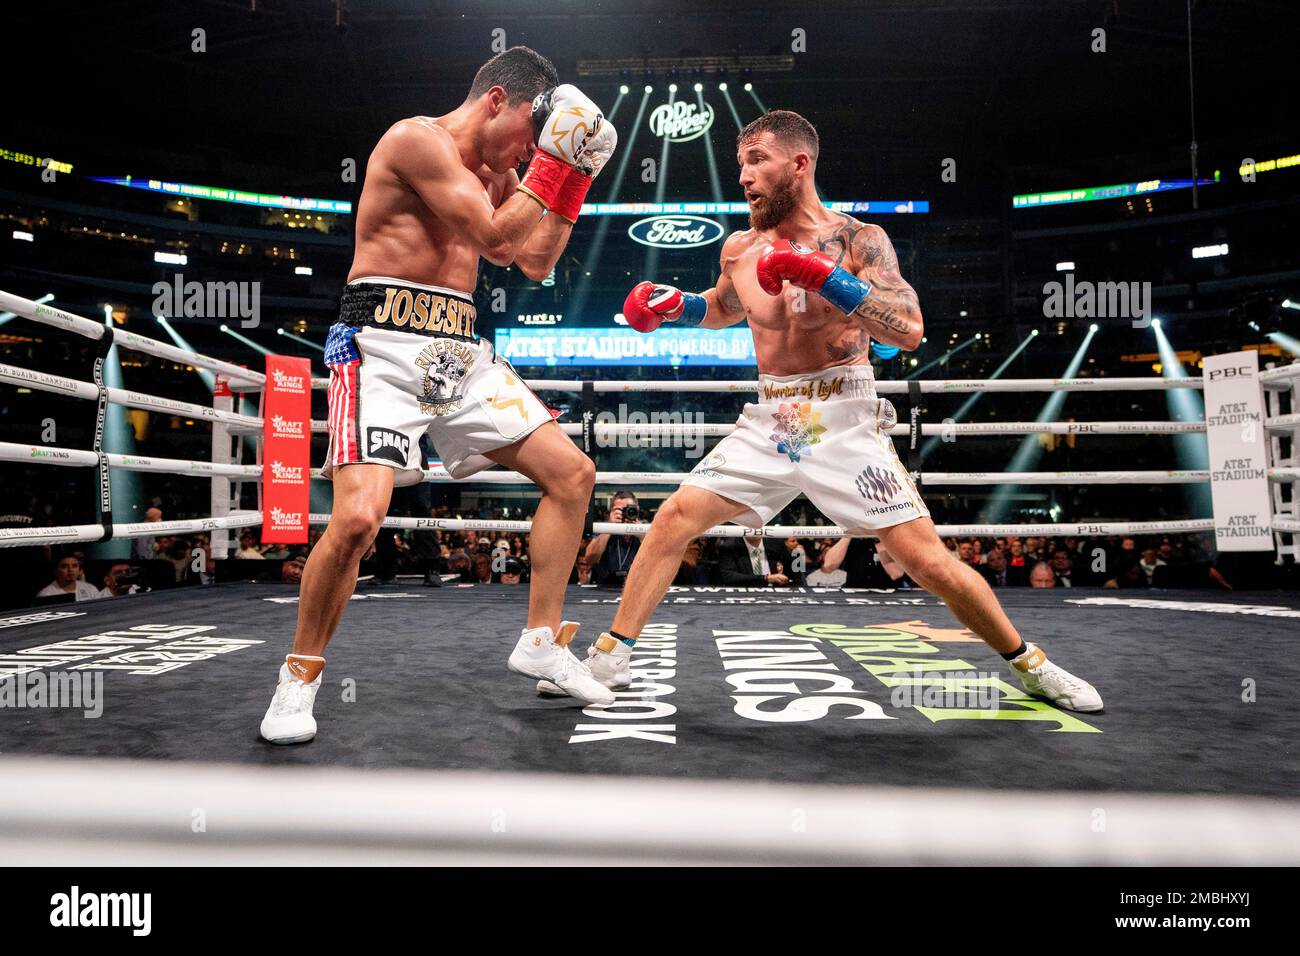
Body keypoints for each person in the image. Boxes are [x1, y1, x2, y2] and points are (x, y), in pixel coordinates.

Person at [540, 109, 1101, 712]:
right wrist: (679, 305)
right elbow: (726, 308)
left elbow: (909, 330)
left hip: (843, 414)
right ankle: (613, 655)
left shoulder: (859, 240)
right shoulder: (739, 249)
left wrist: (825, 276)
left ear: (799, 164)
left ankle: (1032, 665)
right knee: (674, 519)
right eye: (740, 165)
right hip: (772, 417)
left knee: (924, 559)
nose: (745, 177)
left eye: (758, 161)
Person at [261, 46, 619, 744]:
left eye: (539, 147)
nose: (527, 153)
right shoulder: (413, 139)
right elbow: (490, 236)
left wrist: (573, 177)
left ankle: (541, 640)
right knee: (360, 519)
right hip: (378, 344)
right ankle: (297, 678)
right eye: (529, 134)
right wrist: (555, 163)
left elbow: (534, 260)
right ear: (497, 101)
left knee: (573, 474)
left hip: (458, 351)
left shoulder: (503, 169)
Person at [584, 490, 641, 587]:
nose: (625, 513)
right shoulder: (603, 529)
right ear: (611, 511)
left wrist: (640, 533)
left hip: (637, 587)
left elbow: (659, 560)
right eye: (620, 510)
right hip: (605, 587)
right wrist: (609, 527)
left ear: (637, 509)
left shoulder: (645, 530)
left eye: (629, 509)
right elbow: (590, 559)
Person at [716, 534, 792, 587]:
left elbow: (792, 571)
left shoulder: (776, 543)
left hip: (776, 593)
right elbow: (729, 576)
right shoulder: (730, 547)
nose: (755, 528)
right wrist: (765, 578)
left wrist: (783, 574)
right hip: (745, 594)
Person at [36, 554, 101, 601]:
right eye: (64, 566)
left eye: (74, 566)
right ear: (55, 571)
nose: (70, 570)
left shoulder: (91, 589)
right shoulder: (46, 595)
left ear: (79, 570)